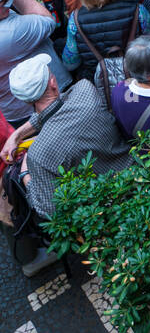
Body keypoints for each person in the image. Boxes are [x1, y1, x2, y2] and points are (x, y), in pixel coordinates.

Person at [1, 56, 131, 221]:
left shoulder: (39, 155)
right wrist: (17, 135)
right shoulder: (85, 90)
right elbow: (57, 105)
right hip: (135, 175)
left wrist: (25, 171)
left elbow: (48, 210)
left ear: (25, 101)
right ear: (53, 83)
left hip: (103, 212)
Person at [0, 0, 70, 125]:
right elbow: (47, 20)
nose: (7, 1)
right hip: (46, 99)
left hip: (14, 109)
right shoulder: (10, 33)